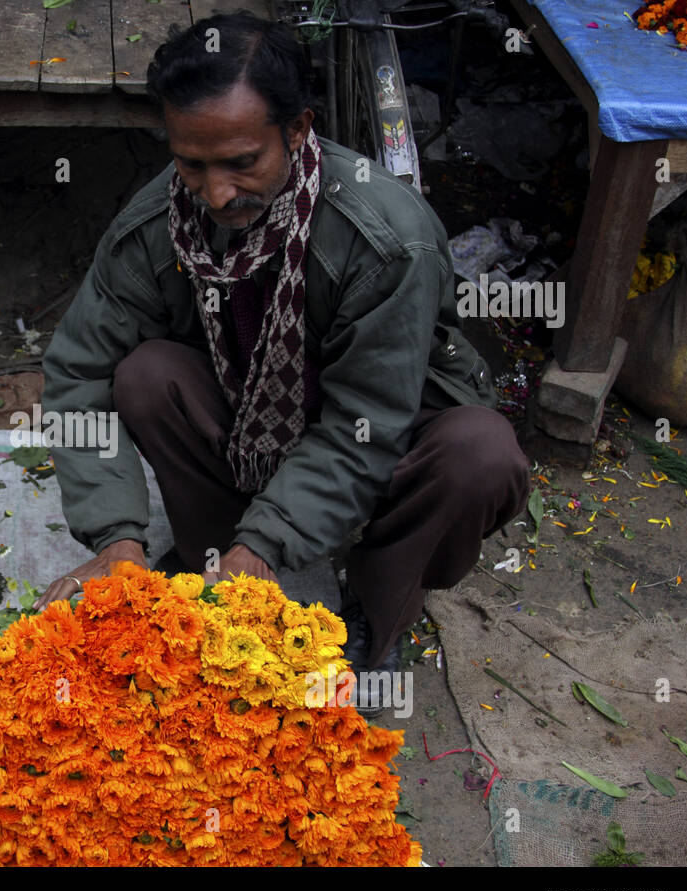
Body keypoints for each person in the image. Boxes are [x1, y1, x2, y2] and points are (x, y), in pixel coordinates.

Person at [33, 12, 529, 708]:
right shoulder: (156, 225)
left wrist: (270, 538)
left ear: (298, 130)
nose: (217, 194)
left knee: (481, 454)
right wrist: (117, 537)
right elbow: (78, 376)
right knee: (145, 374)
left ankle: (367, 613)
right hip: (250, 420)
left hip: (380, 433)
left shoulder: (387, 241)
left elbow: (368, 419)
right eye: (191, 163)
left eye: (242, 162)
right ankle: (217, 556)